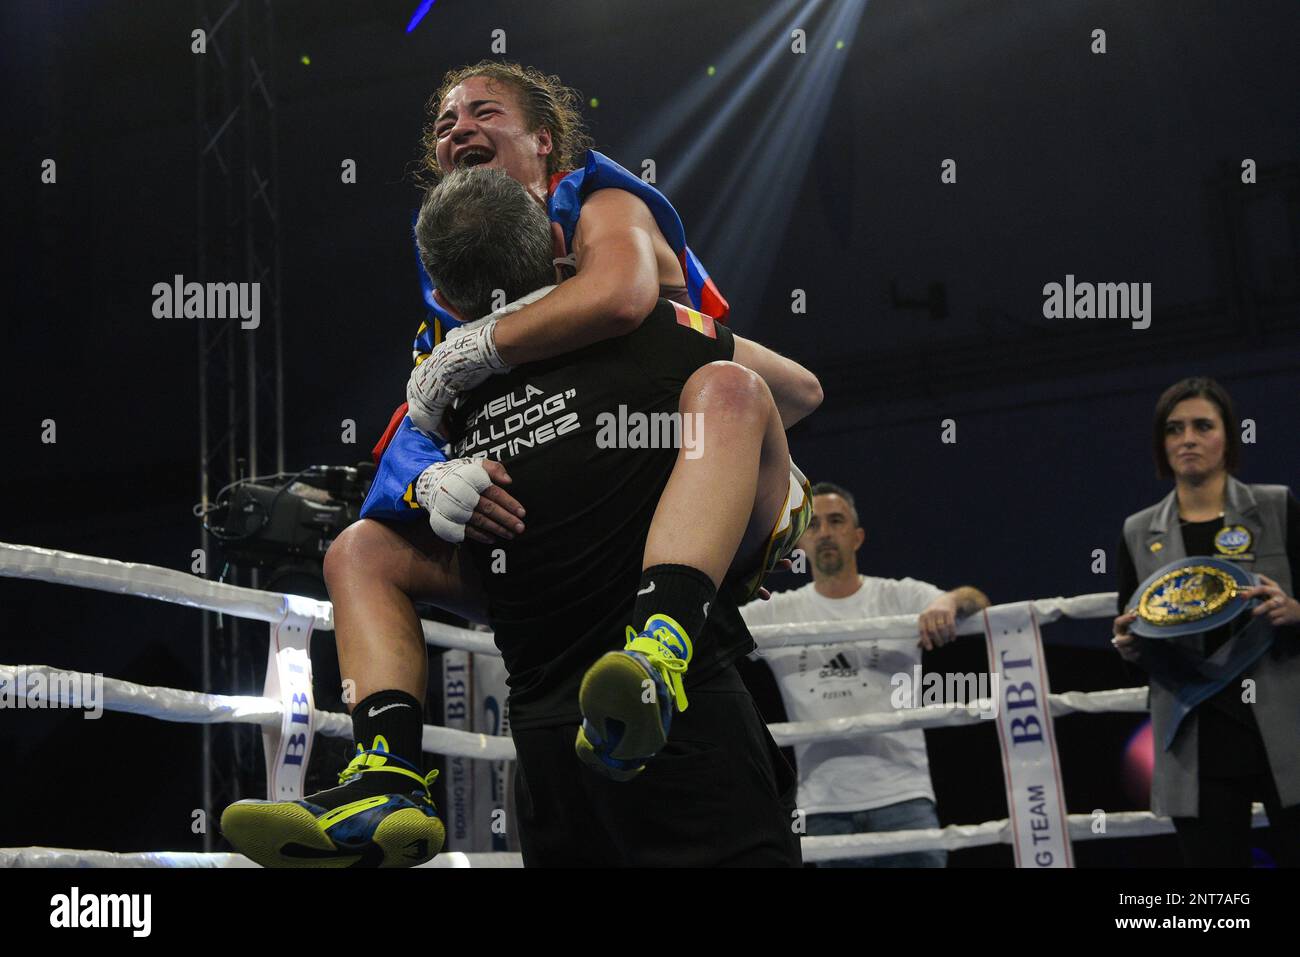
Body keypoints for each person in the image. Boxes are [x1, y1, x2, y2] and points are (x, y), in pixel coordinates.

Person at [429, 167, 815, 864]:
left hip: (547, 735)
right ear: (560, 243)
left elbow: (378, 509)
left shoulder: (446, 398)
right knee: (731, 390)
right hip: (686, 706)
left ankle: (385, 762)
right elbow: (802, 390)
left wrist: (426, 475)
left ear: (442, 299)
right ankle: (660, 642)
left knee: (358, 551)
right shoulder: (645, 327)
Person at [740, 482, 989, 867]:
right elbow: (710, 623)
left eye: (836, 521)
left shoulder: (897, 596)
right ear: (800, 544)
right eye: (814, 525)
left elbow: (976, 599)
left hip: (904, 796)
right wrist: (741, 576)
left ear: (856, 537)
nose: (825, 532)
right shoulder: (779, 613)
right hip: (822, 804)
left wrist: (948, 601)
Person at [1111, 376, 1300, 867]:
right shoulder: (1138, 532)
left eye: (1202, 426)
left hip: (1284, 725)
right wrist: (1129, 648)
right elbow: (1135, 633)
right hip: (1196, 738)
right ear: (1162, 443)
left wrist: (1296, 612)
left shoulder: (1277, 506)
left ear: (1228, 437)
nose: (1187, 439)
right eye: (1174, 429)